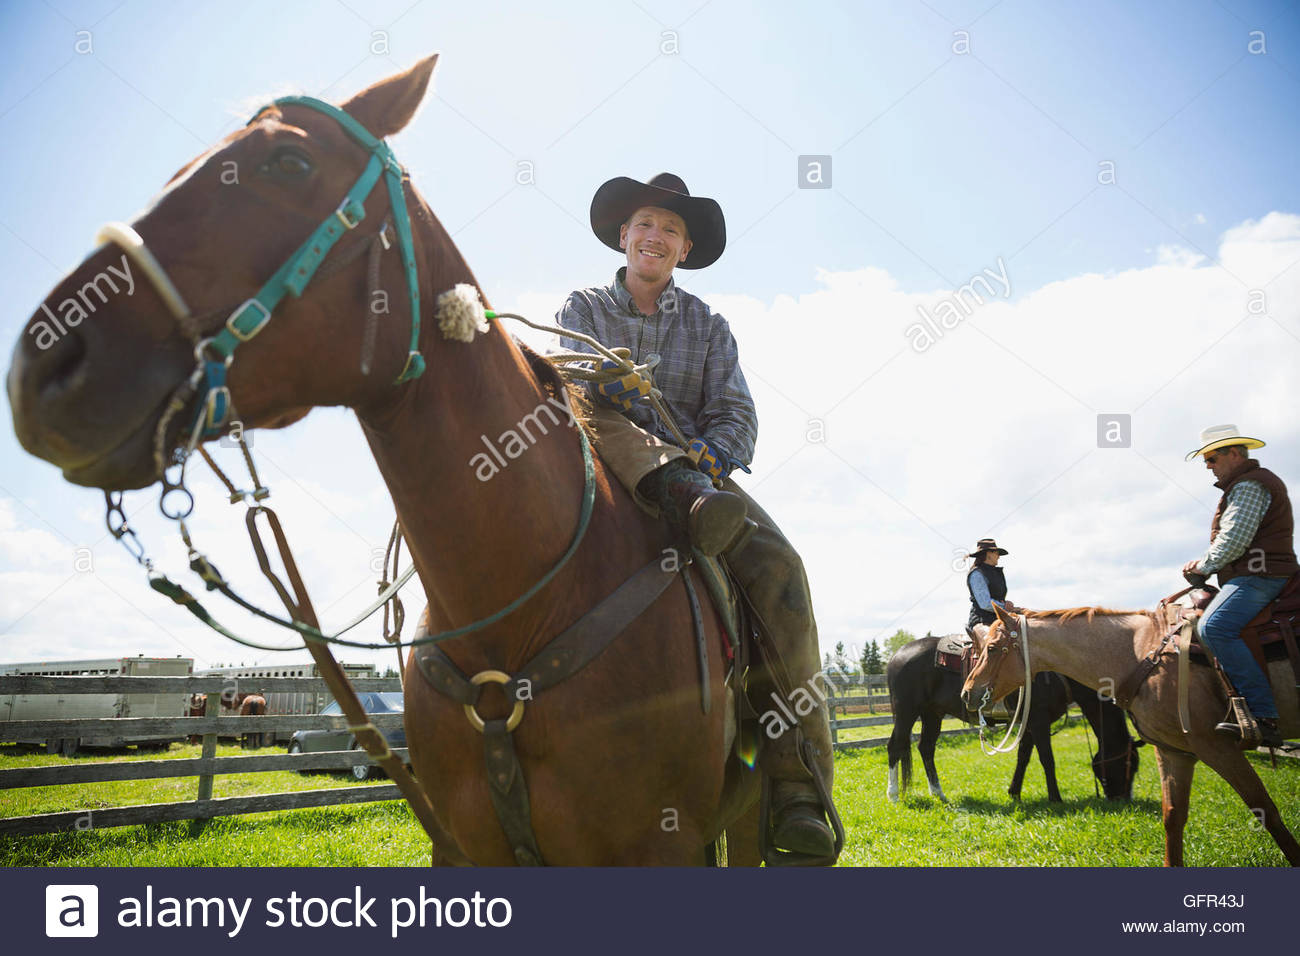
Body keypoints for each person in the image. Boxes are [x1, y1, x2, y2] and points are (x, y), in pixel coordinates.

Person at [556, 173, 836, 861]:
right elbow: (568, 378)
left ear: (684, 249)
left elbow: (737, 412)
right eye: (645, 223)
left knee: (781, 568)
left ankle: (796, 781)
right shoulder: (583, 304)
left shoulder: (709, 326)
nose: (655, 236)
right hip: (601, 467)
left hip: (701, 476)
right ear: (624, 236)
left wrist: (713, 453)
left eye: (671, 230)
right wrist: (600, 380)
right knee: (585, 405)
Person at [1181, 425, 1297, 747]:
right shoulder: (1243, 485)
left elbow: (1233, 540)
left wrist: (1203, 566)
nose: (1207, 465)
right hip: (1256, 573)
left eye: (1211, 457)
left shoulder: (1249, 486)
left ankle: (1263, 717)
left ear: (1234, 453)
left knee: (1215, 627)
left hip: (1261, 576)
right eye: (1205, 459)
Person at [966, 538, 1017, 630]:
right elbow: (985, 604)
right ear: (989, 553)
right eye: (997, 553)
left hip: (998, 620)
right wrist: (1005, 607)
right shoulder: (977, 574)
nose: (999, 557)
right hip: (981, 622)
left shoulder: (995, 572)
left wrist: (1006, 604)